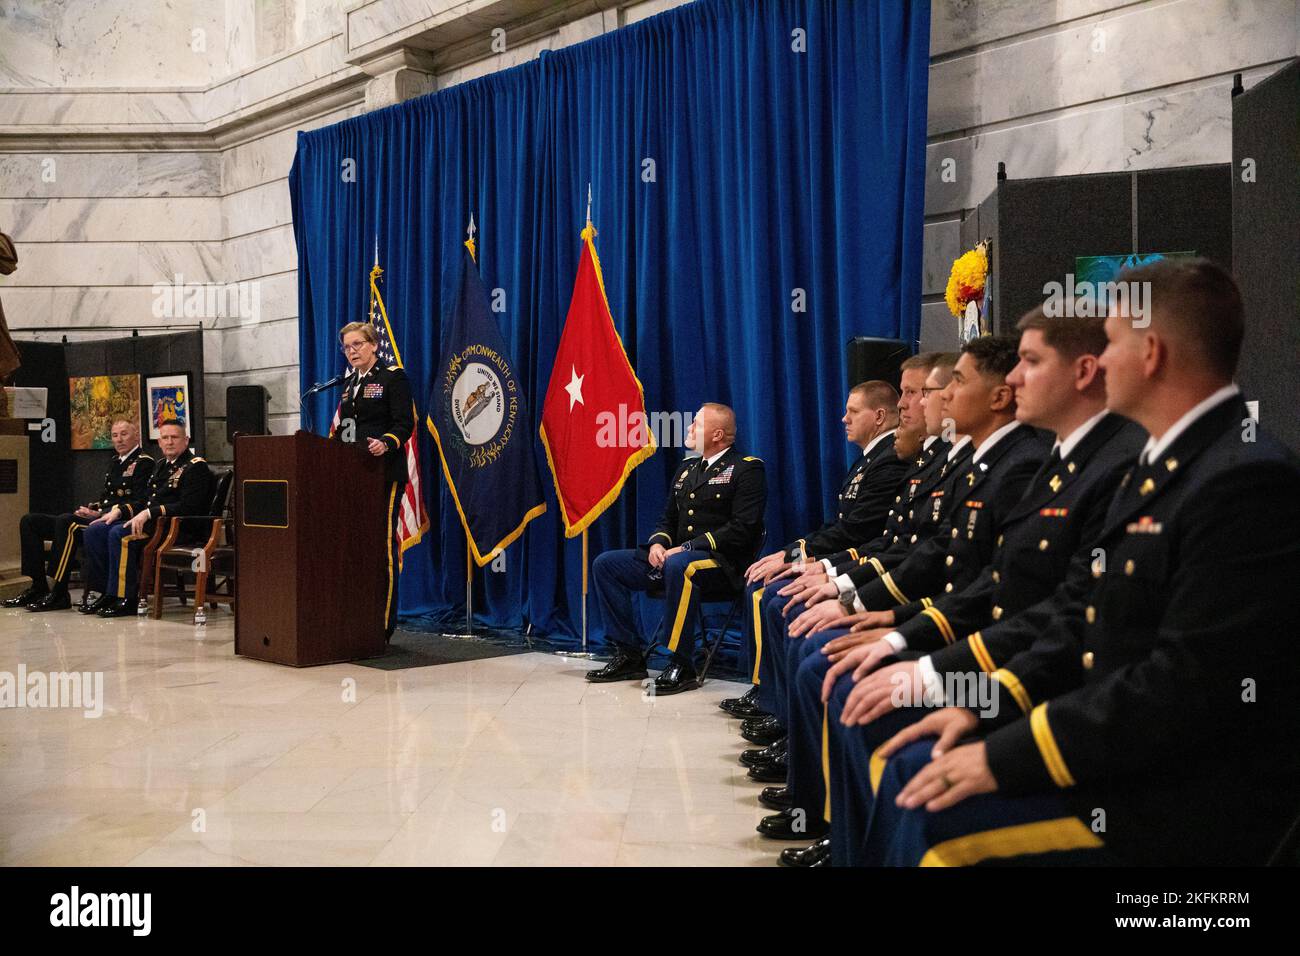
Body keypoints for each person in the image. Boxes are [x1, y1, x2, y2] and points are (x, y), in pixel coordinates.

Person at [863, 259, 1300, 866]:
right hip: (1112, 751)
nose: (1103, 361)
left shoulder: (1245, 480)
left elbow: (1183, 687)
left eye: (1114, 343)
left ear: (1150, 353)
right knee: (916, 766)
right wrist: (980, 702)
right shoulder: (1160, 462)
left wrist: (1007, 751)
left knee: (935, 822)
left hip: (1174, 810)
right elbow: (1080, 615)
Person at [786, 306, 1146, 867]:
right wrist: (896, 633)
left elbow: (1079, 622)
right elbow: (996, 583)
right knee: (849, 683)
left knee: (896, 750)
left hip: (1077, 718)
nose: (935, 399)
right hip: (1013, 663)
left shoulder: (1103, 466)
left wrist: (965, 687)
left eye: (1030, 362)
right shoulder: (1062, 463)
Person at [733, 380, 908, 695]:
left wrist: (798, 558)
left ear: (879, 416)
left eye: (853, 411)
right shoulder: (871, 458)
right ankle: (766, 693)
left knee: (774, 596)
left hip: (864, 564)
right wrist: (793, 553)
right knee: (763, 583)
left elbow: (856, 531)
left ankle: (772, 699)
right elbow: (839, 526)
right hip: (847, 557)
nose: (844, 419)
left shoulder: (890, 460)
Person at [588, 403, 766, 694]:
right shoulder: (687, 469)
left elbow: (742, 527)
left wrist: (685, 548)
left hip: (720, 565)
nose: (688, 428)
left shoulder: (747, 468)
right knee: (606, 564)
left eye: (696, 424)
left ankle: (682, 662)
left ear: (717, 434)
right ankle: (629, 654)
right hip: (675, 559)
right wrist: (659, 542)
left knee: (679, 565)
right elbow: (668, 519)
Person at [3, 419, 152, 612]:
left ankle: (58, 591)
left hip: (117, 521)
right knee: (30, 521)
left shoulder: (144, 463)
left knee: (67, 522)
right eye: (115, 435)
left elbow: (139, 501)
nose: (119, 440)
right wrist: (95, 510)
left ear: (137, 435)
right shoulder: (116, 462)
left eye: (124, 434)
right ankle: (37, 585)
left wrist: (104, 512)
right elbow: (108, 498)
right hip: (102, 516)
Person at [81, 419, 213, 617]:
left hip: (175, 529)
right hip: (152, 525)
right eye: (165, 438)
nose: (169, 442)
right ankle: (105, 593)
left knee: (119, 534)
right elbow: (145, 500)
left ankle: (126, 598)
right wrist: (119, 511)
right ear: (159, 442)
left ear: (185, 440)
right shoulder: (161, 466)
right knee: (96, 530)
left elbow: (188, 506)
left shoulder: (195, 467)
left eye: (174, 437)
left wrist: (150, 513)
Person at [333, 321, 414, 639]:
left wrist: (387, 441)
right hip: (354, 475)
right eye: (347, 347)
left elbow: (404, 422)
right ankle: (357, 617)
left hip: (384, 473)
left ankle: (383, 624)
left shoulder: (392, 377)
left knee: (382, 546)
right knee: (357, 547)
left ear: (373, 345)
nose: (352, 351)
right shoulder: (349, 384)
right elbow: (345, 429)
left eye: (357, 345)